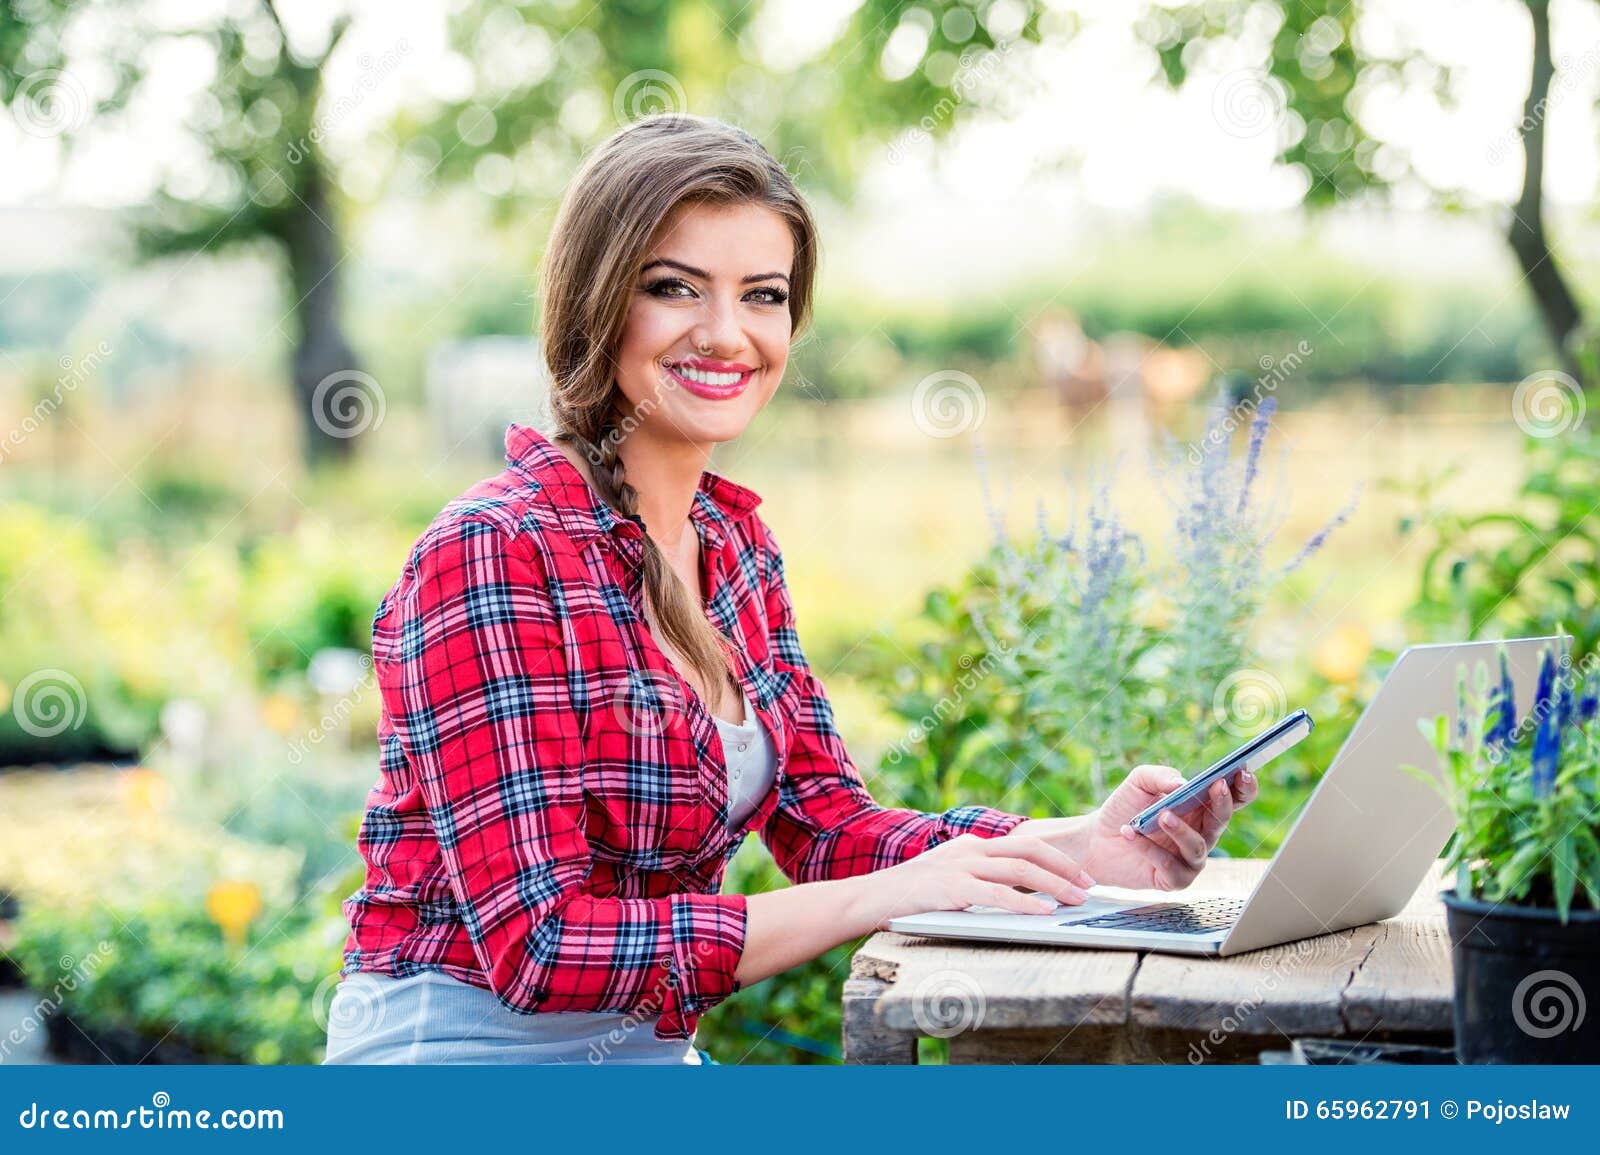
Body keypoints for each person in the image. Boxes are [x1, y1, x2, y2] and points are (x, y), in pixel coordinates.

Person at [323, 115, 1257, 1066]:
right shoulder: (495, 550)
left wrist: (1080, 847)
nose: (727, 334)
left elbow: (829, 826)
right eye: (673, 287)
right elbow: (542, 946)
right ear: (594, 302)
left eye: (762, 296)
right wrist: (880, 897)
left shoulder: (734, 549)